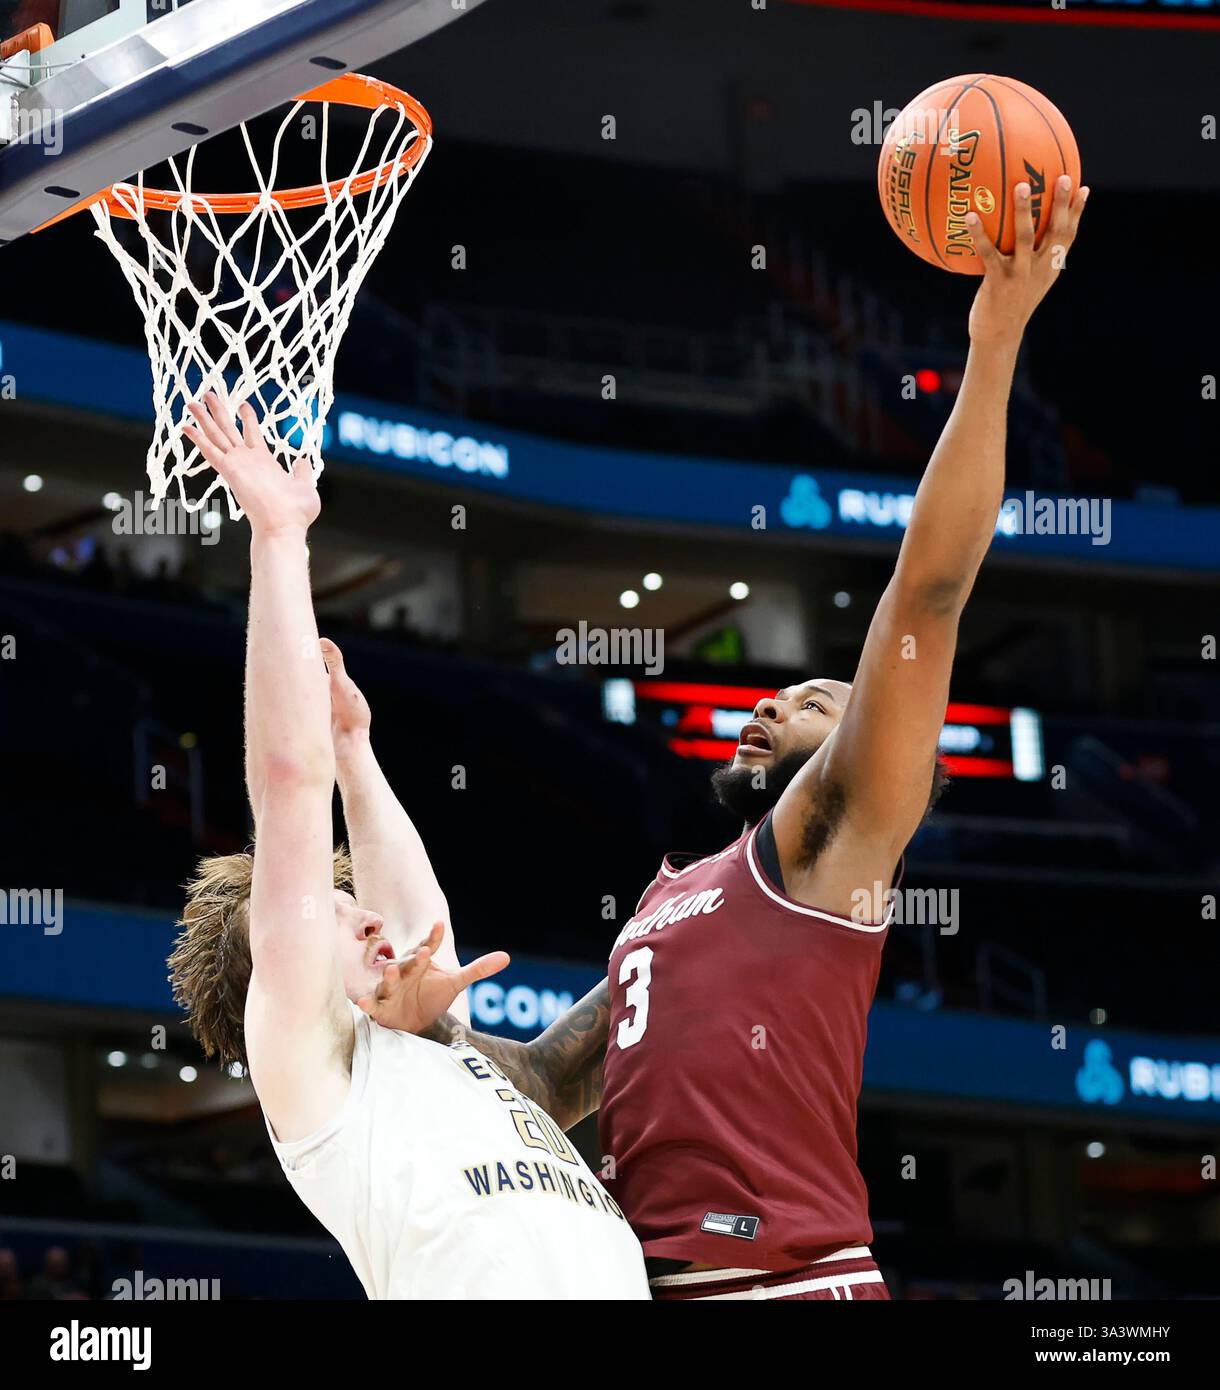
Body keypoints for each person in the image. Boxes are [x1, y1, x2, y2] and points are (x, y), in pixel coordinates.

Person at [363, 176, 1089, 1301]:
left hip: (788, 1284)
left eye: (810, 698)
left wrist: (989, 348)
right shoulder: (670, 892)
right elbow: (551, 1083)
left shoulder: (830, 849)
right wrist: (435, 1031)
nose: (765, 704)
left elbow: (929, 590)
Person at [167, 395, 649, 1301]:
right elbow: (286, 786)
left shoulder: (439, 1044)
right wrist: (279, 539)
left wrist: (358, 753)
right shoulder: (314, 1069)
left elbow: (423, 923)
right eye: (341, 921)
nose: (372, 923)